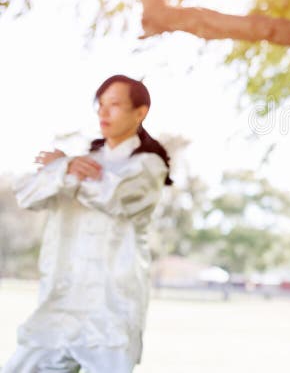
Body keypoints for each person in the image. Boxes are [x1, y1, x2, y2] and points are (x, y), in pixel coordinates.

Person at [3, 75, 172, 373]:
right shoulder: (78, 163)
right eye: (100, 104)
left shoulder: (147, 165)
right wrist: (64, 168)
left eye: (114, 104)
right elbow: (28, 195)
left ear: (140, 112)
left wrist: (65, 171)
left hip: (111, 307)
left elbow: (114, 196)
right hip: (60, 302)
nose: (103, 112)